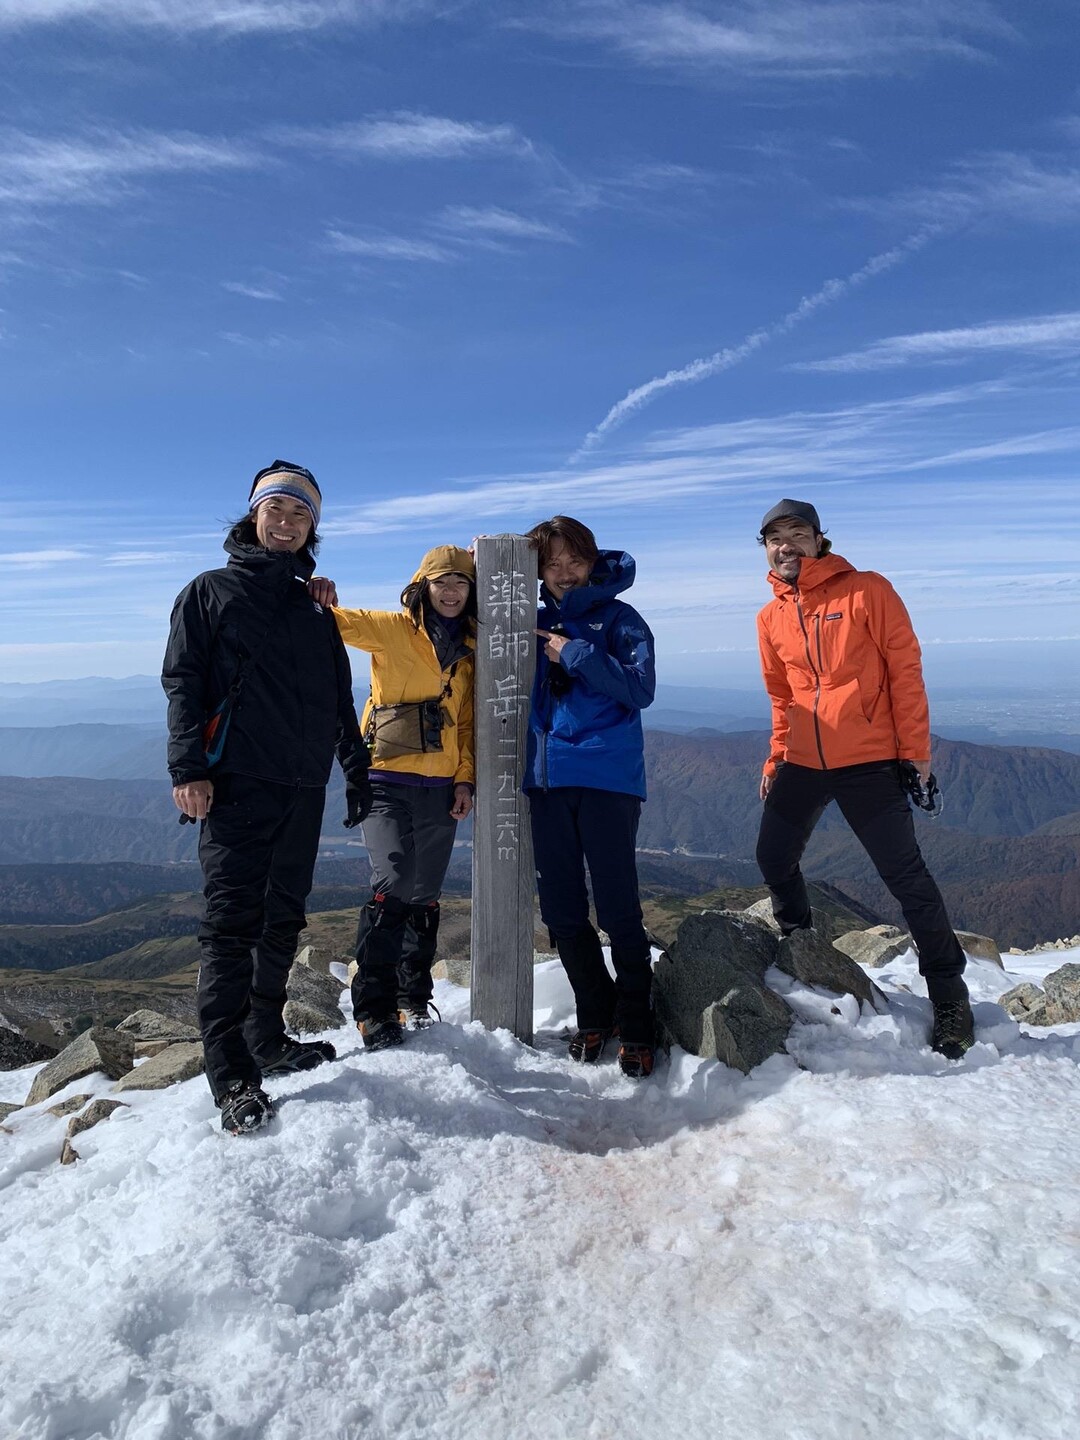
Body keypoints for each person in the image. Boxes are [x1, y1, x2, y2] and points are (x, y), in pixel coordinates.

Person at [162, 461, 372, 1136]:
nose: (285, 522)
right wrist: (187, 769)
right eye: (275, 509)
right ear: (253, 516)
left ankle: (265, 1039)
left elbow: (337, 697)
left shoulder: (314, 608)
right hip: (235, 784)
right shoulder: (210, 592)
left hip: (303, 787)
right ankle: (231, 1076)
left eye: (299, 513)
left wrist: (356, 768)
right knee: (230, 926)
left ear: (313, 527)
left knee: (282, 920)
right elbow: (183, 682)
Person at [753, 498, 974, 1059]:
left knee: (906, 878)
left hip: (869, 758)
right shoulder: (770, 616)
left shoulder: (867, 590)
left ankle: (950, 994)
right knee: (773, 856)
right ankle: (800, 946)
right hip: (803, 759)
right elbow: (781, 695)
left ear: (819, 539)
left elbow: (905, 670)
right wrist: (776, 757)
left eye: (796, 533)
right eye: (774, 538)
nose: (786, 546)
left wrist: (915, 752)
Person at [317, 547, 476, 1050]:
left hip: (441, 787)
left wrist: (464, 780)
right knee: (394, 883)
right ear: (422, 586)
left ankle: (413, 997)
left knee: (424, 894)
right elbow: (332, 620)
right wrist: (313, 592)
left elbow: (465, 724)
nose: (451, 592)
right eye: (441, 582)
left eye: (461, 583)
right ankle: (373, 1008)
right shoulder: (391, 629)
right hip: (385, 779)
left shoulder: (472, 648)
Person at [524, 516, 657, 1079]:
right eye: (551, 563)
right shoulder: (526, 619)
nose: (563, 572)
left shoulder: (621, 619)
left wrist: (577, 654)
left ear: (591, 561)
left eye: (573, 561)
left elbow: (640, 689)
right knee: (561, 910)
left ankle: (639, 1023)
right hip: (546, 779)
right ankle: (596, 1012)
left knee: (618, 905)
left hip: (607, 777)